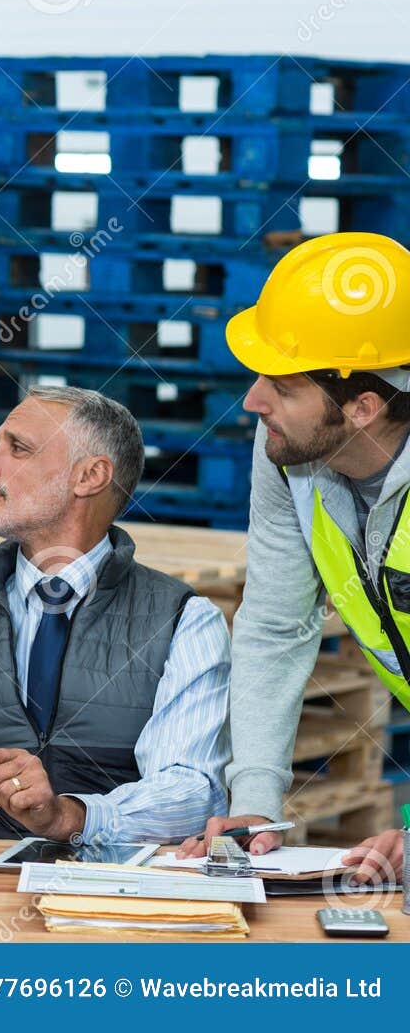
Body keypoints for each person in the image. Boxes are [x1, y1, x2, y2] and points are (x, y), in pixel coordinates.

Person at [0, 386, 231, 845]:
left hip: (119, 886)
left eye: (18, 448)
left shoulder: (184, 625)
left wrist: (70, 817)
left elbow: (194, 794)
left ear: (90, 476)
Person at [180, 232, 410, 884]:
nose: (253, 401)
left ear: (363, 407)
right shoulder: (289, 453)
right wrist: (254, 800)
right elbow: (277, 624)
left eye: (281, 386)